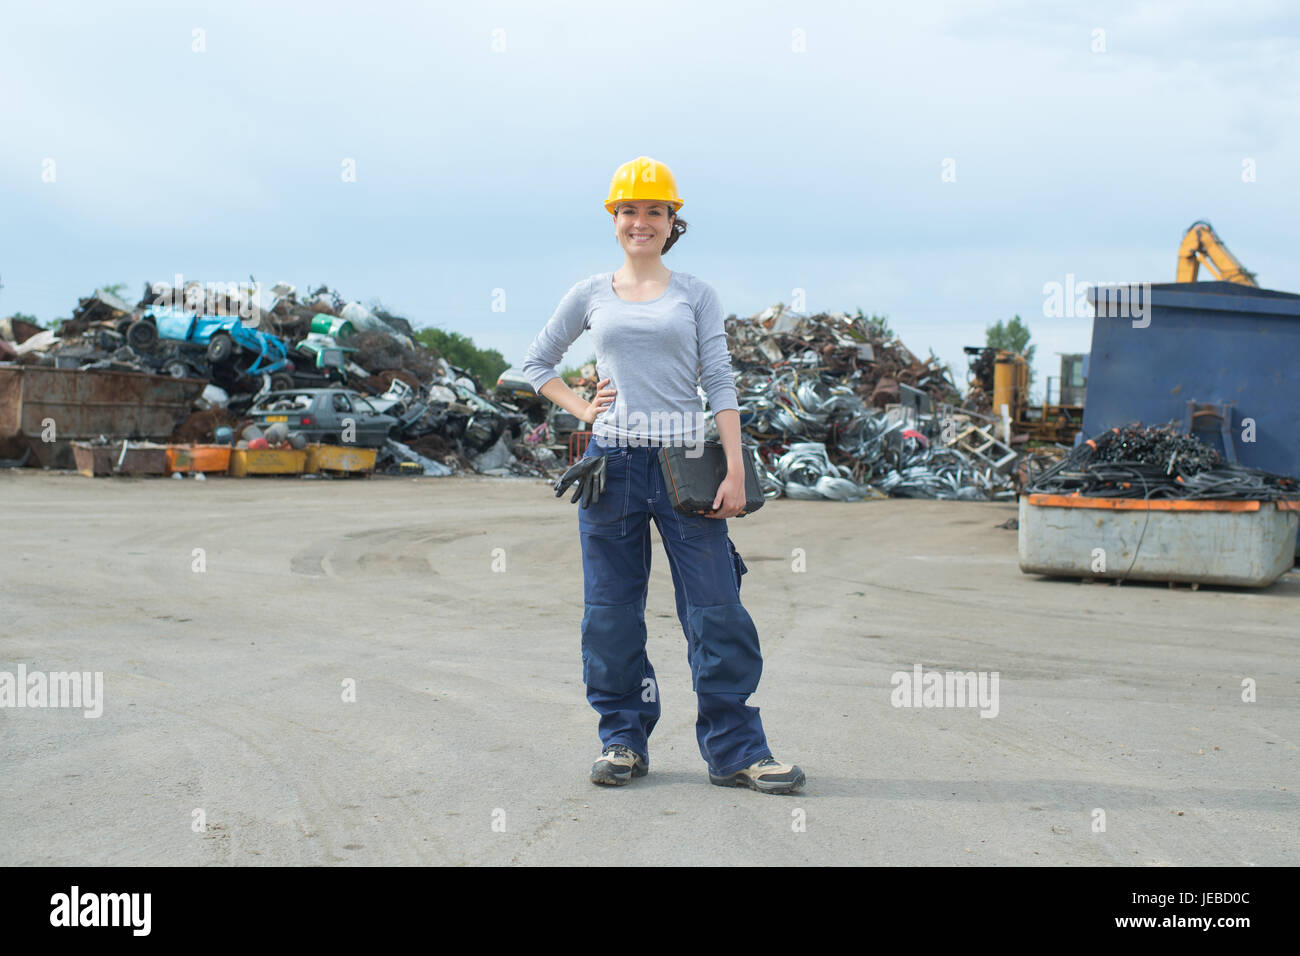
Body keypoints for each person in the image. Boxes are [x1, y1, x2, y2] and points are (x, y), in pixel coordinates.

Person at [521, 156, 804, 795]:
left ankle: (735, 750)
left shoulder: (696, 294)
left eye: (654, 211)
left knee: (716, 608)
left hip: (687, 470)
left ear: (673, 220)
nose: (640, 221)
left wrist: (735, 468)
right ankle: (621, 739)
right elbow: (537, 363)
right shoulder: (590, 293)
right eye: (629, 210)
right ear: (613, 219)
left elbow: (720, 381)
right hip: (611, 468)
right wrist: (581, 408)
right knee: (611, 614)